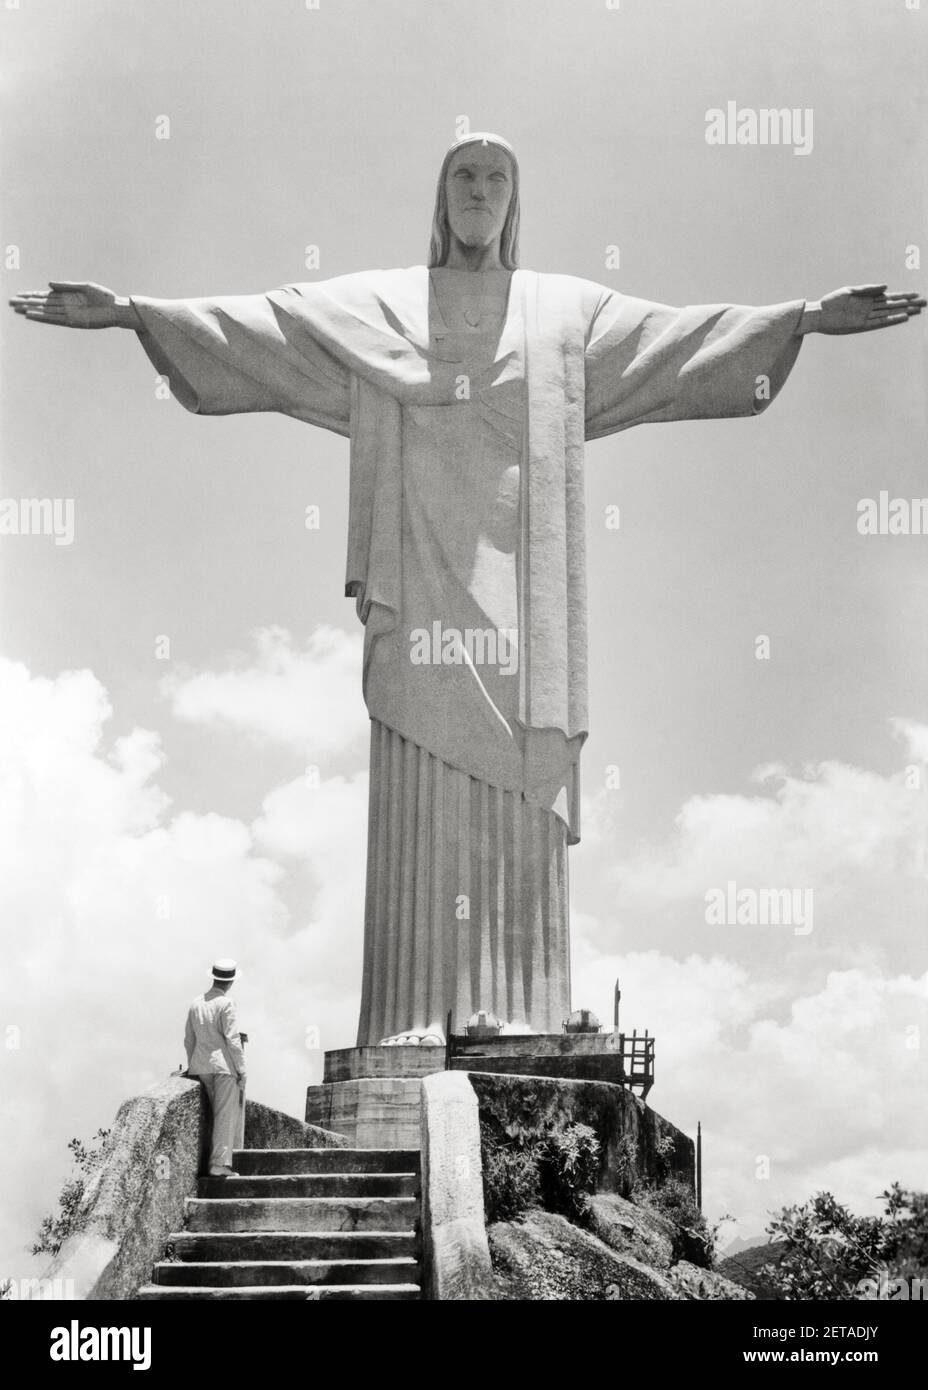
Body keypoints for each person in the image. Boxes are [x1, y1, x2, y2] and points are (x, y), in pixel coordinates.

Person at [10, 133, 924, 1047]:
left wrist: (801, 317)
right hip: (419, 583)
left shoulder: (563, 315)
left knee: (522, 770)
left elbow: (680, 338)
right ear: (439, 197)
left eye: (497, 178)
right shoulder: (381, 307)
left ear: (514, 202)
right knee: (422, 775)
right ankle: (411, 1012)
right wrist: (135, 312)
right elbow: (266, 326)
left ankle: (517, 1008)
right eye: (463, 176)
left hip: (525, 593)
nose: (479, 190)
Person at [184, 958, 247, 1177]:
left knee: (212, 1112)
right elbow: (233, 1039)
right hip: (223, 1067)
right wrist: (241, 1069)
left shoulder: (196, 1003)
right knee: (224, 1116)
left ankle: (213, 1161)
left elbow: (188, 1040)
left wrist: (192, 1062)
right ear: (230, 982)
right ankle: (219, 1163)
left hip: (200, 1066)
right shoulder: (226, 1003)